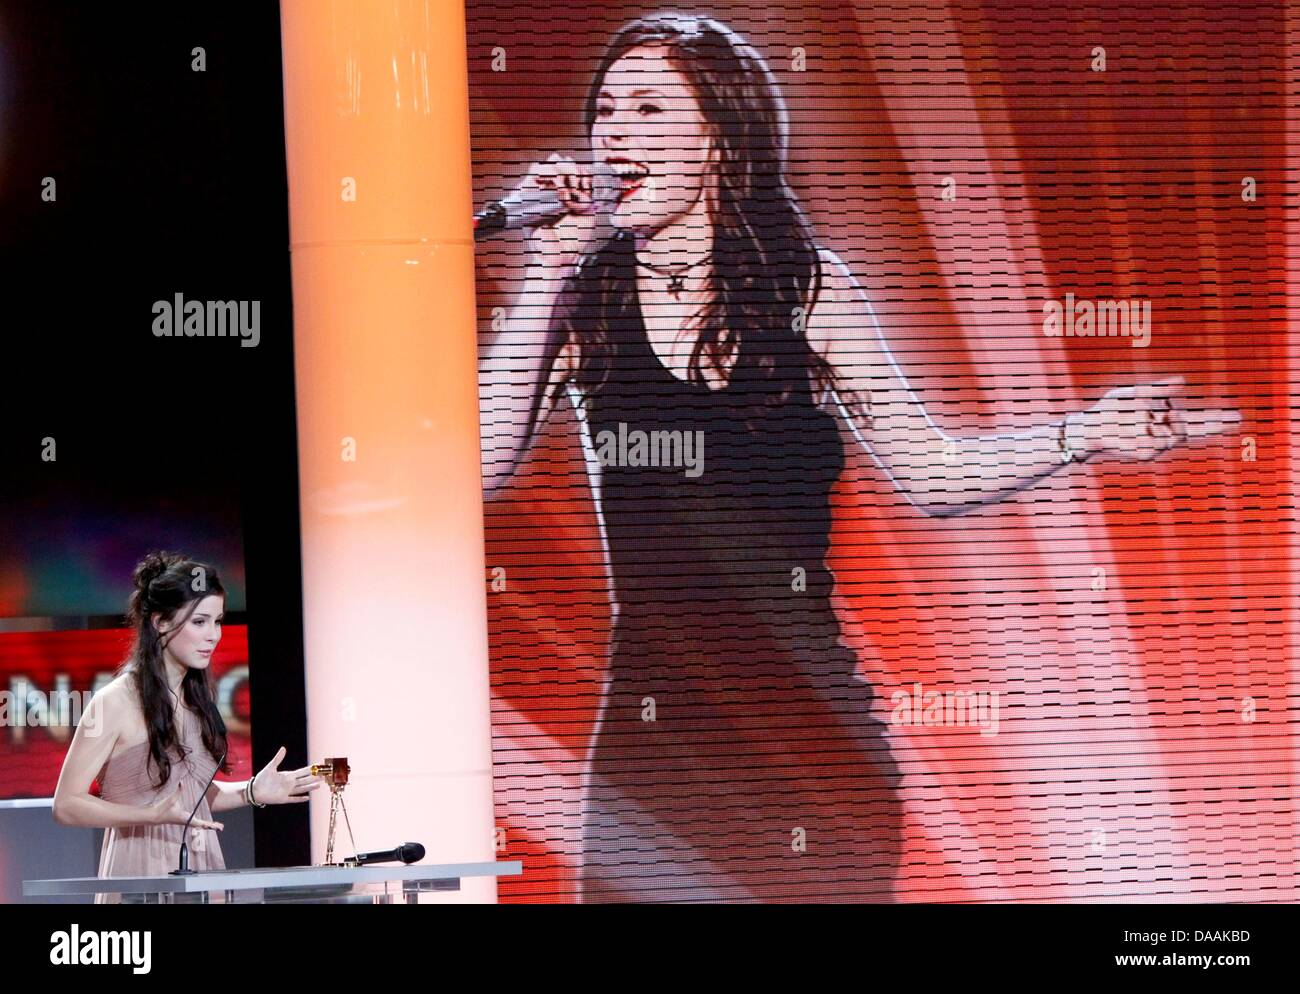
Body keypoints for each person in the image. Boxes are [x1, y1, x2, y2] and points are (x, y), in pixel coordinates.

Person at [479, 12, 1239, 902]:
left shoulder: (807, 289)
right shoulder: (586, 299)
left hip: (810, 741)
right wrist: (546, 273)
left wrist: (1084, 435)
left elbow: (932, 473)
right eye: (605, 112)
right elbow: (478, 472)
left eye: (647, 111)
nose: (611, 137)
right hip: (655, 747)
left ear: (719, 140)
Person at [52, 551, 322, 903]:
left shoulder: (198, 699)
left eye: (218, 621)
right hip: (140, 869)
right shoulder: (112, 702)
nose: (214, 635)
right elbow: (66, 804)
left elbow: (189, 800)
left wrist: (252, 791)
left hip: (201, 867)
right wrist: (148, 815)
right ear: (161, 622)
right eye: (199, 622)